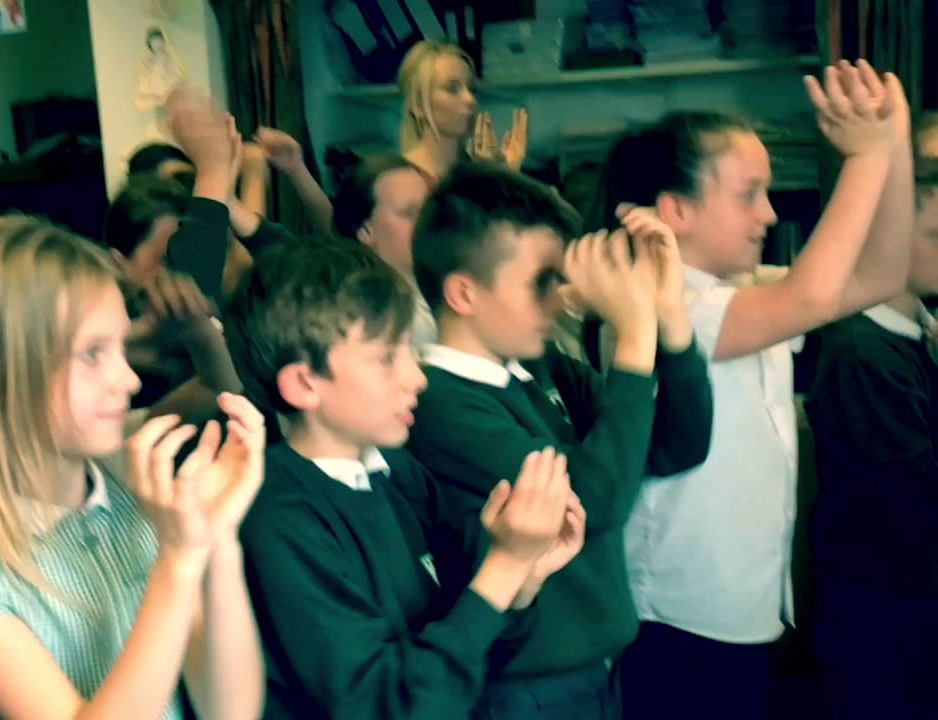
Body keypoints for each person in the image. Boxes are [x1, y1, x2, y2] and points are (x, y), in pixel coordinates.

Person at [589, 60, 914, 719]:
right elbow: (813, 295)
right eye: (749, 194)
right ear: (677, 211)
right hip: (680, 617)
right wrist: (865, 156)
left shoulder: (740, 291)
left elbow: (883, 274)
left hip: (741, 609)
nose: (769, 213)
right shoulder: (665, 304)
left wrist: (894, 136)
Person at [0, 216, 266, 720]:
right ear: (3, 371)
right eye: (92, 354)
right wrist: (178, 561)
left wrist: (218, 539)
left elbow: (232, 711)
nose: (129, 380)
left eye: (121, 347)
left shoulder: (138, 500)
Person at [223, 237, 585, 719]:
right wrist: (503, 567)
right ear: (305, 384)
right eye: (387, 359)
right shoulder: (278, 516)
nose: (417, 378)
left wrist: (522, 577)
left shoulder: (396, 470)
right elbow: (387, 705)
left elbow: (470, 654)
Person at [406, 162, 714, 720]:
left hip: (593, 670)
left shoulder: (539, 371)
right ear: (463, 293)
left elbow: (679, 444)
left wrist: (668, 316)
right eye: (541, 282)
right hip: (526, 687)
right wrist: (634, 335)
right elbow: (596, 501)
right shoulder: (438, 404)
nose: (559, 299)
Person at [802, 152, 937, 720]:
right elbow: (917, 493)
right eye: (935, 235)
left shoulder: (917, 335)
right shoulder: (861, 353)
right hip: (881, 609)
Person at [331, 153, 435, 348]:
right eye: (409, 213)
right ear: (365, 230)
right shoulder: (374, 321)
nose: (427, 222)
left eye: (428, 209)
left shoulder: (441, 284)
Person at [396, 41, 527, 189]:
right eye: (452, 89)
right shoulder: (395, 180)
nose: (471, 99)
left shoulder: (475, 172)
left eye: (472, 89)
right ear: (418, 105)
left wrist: (506, 175)